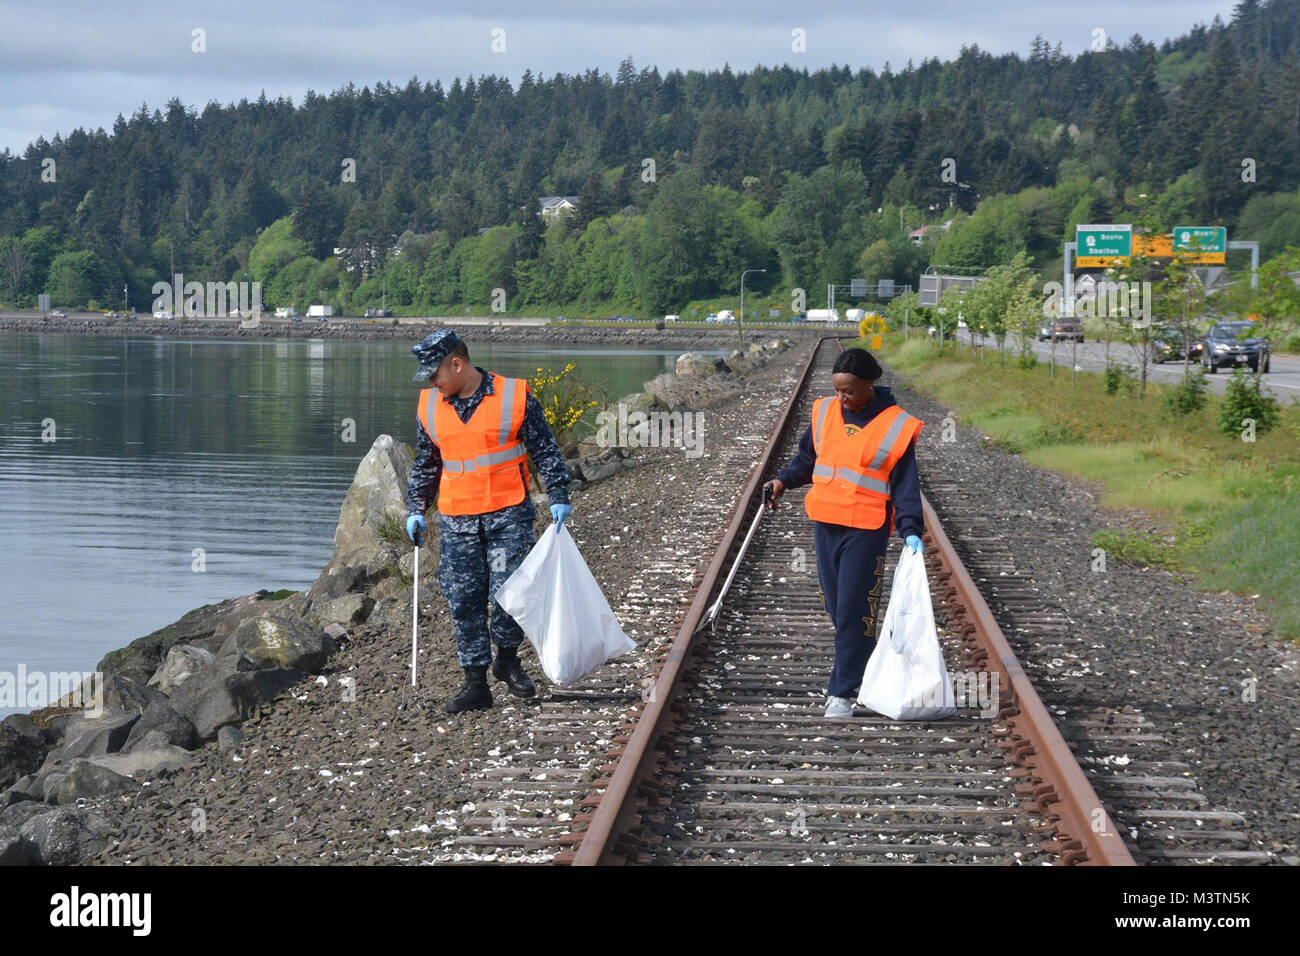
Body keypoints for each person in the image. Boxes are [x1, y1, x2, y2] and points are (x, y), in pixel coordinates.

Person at [404, 329, 573, 713]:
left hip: (508, 514)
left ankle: (508, 659)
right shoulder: (430, 406)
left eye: (435, 374)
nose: (432, 383)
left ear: (457, 364)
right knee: (464, 601)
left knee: (512, 594)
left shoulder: (514, 396)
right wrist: (415, 507)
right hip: (457, 520)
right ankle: (475, 683)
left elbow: (544, 447)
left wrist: (559, 493)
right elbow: (427, 463)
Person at [762, 347, 924, 718]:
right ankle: (868, 671)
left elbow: (905, 483)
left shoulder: (897, 425)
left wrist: (910, 528)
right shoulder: (824, 413)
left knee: (853, 612)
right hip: (826, 523)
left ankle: (842, 692)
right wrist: (782, 481)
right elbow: (808, 459)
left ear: (869, 384)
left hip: (867, 529)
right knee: (838, 608)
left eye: (849, 391)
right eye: (837, 390)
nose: (842, 398)